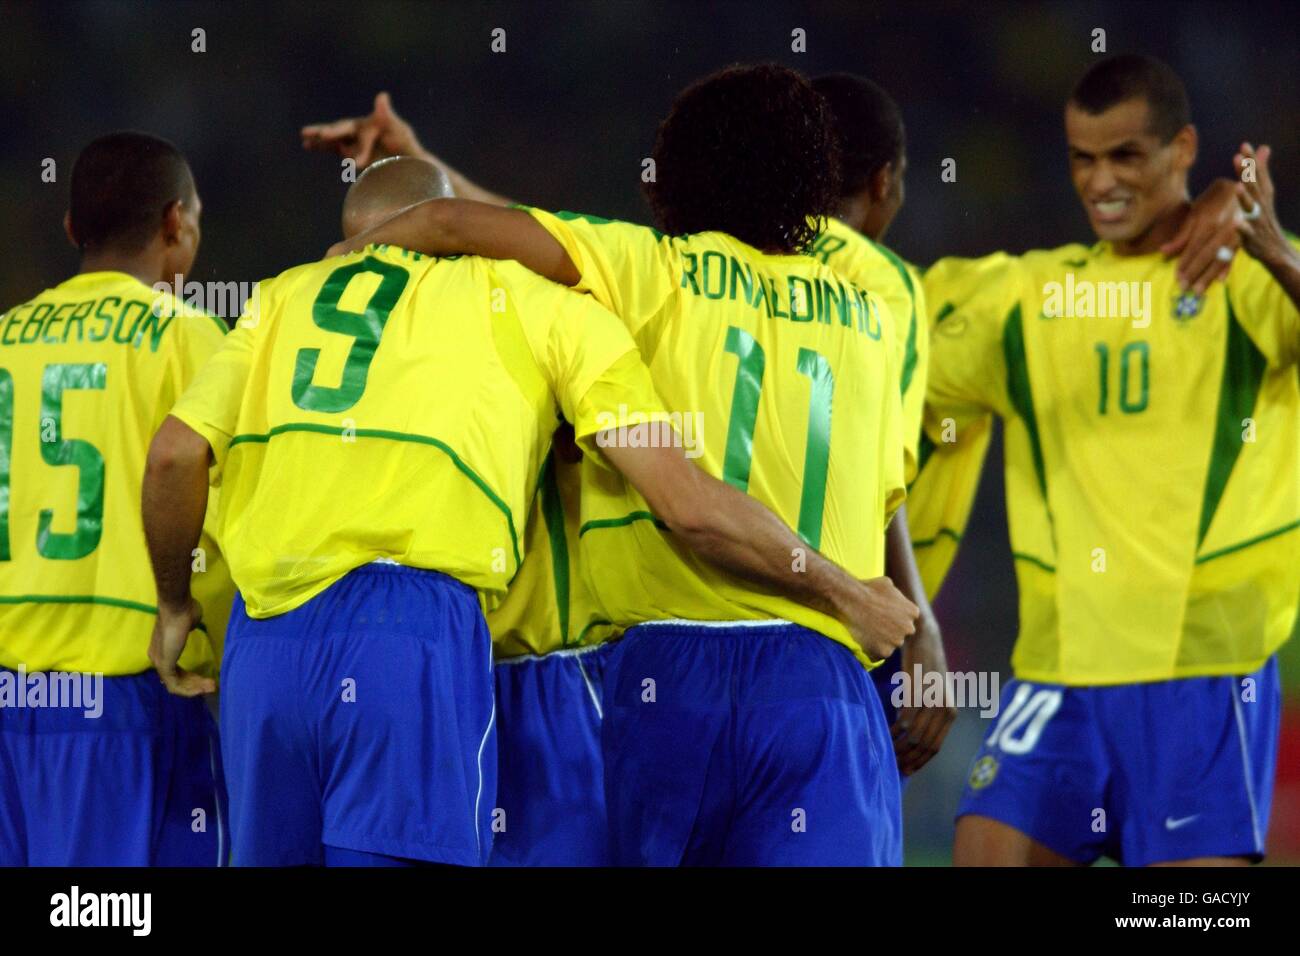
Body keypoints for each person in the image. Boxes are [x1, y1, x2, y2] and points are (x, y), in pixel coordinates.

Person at [142, 125, 918, 866]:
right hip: (452, 643)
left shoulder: (281, 298)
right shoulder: (554, 305)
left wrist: (175, 606)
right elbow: (680, 495)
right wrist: (846, 590)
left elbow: (175, 453)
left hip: (268, 637)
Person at [921, 54, 1300, 866]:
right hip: (1057, 666)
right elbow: (881, 333)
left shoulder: (1252, 280)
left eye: (1126, 155)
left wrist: (1278, 254)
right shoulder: (1028, 297)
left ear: (1183, 148)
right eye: (1082, 159)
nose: (1101, 182)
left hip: (1201, 662)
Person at [0, 131, 233, 866]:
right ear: (175, 222)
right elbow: (236, 517)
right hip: (132, 700)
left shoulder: (4, 338)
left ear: (72, 230)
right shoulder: (191, 338)